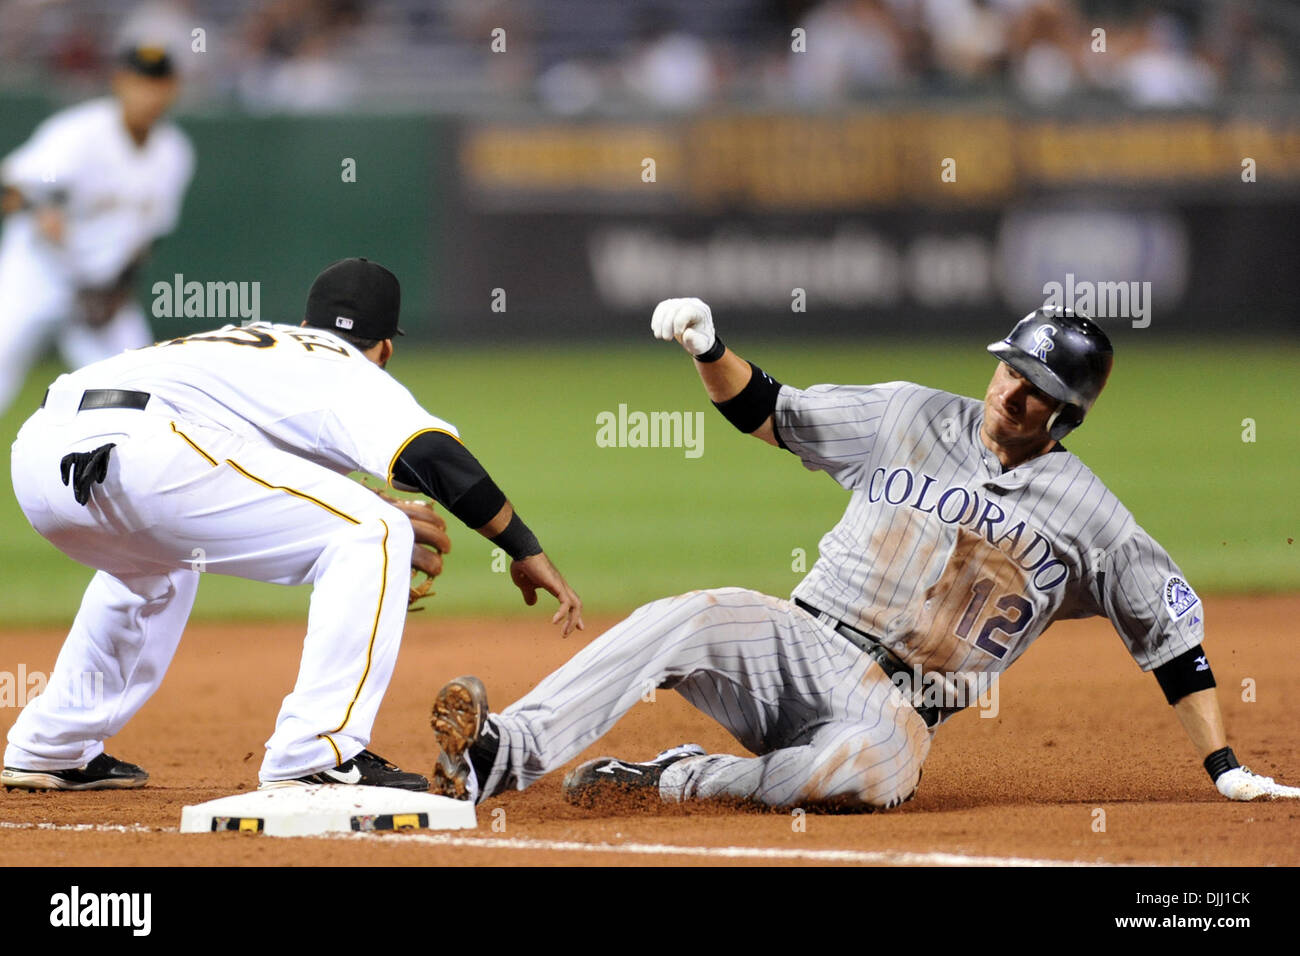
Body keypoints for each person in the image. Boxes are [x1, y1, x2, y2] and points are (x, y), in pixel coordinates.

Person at [428, 298, 1298, 810]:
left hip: (899, 713)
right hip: (799, 645)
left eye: (1037, 391)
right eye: (1009, 372)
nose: (1012, 393)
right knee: (687, 615)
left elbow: (1173, 642)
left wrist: (1223, 767)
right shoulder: (908, 415)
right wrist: (708, 348)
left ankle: (681, 781)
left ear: (1069, 411)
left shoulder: (1094, 521)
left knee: (858, 775)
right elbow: (770, 413)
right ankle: (502, 753)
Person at [2, 257, 583, 792]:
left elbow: (249, 464)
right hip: (149, 455)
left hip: (42, 454)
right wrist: (523, 548)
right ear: (385, 347)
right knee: (374, 533)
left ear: (307, 319)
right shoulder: (350, 368)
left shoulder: (255, 345)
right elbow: (433, 455)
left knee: (155, 566)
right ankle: (316, 754)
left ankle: (52, 746)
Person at [0, 39, 195, 417]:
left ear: (172, 89)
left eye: (158, 83)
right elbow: (9, 187)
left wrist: (118, 291)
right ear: (120, 82)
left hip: (99, 287)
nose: (148, 93)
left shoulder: (174, 152)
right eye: (140, 81)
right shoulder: (79, 134)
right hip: (37, 273)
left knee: (139, 388)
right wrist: (40, 209)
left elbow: (151, 235)